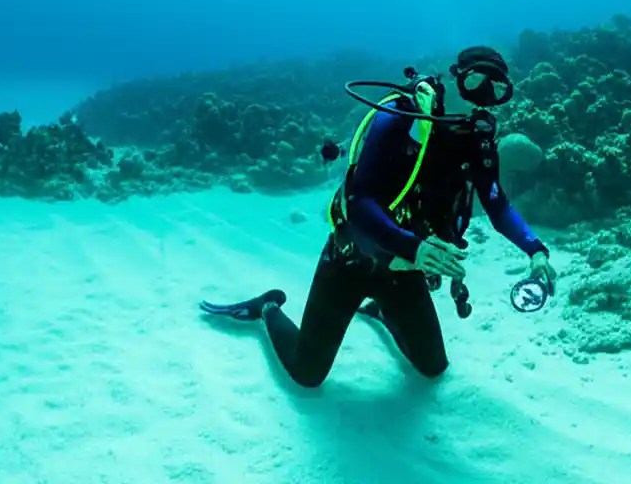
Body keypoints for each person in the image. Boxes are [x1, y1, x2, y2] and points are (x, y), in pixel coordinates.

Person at [199, 46, 557, 387]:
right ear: (453, 77)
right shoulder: (400, 116)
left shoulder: (475, 144)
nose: (483, 96)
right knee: (307, 373)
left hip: (402, 270)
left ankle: (383, 311)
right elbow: (360, 201)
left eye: (497, 89)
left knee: (433, 368)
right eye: (477, 80)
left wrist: (535, 250)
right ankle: (267, 308)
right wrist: (415, 249)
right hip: (350, 260)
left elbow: (497, 204)